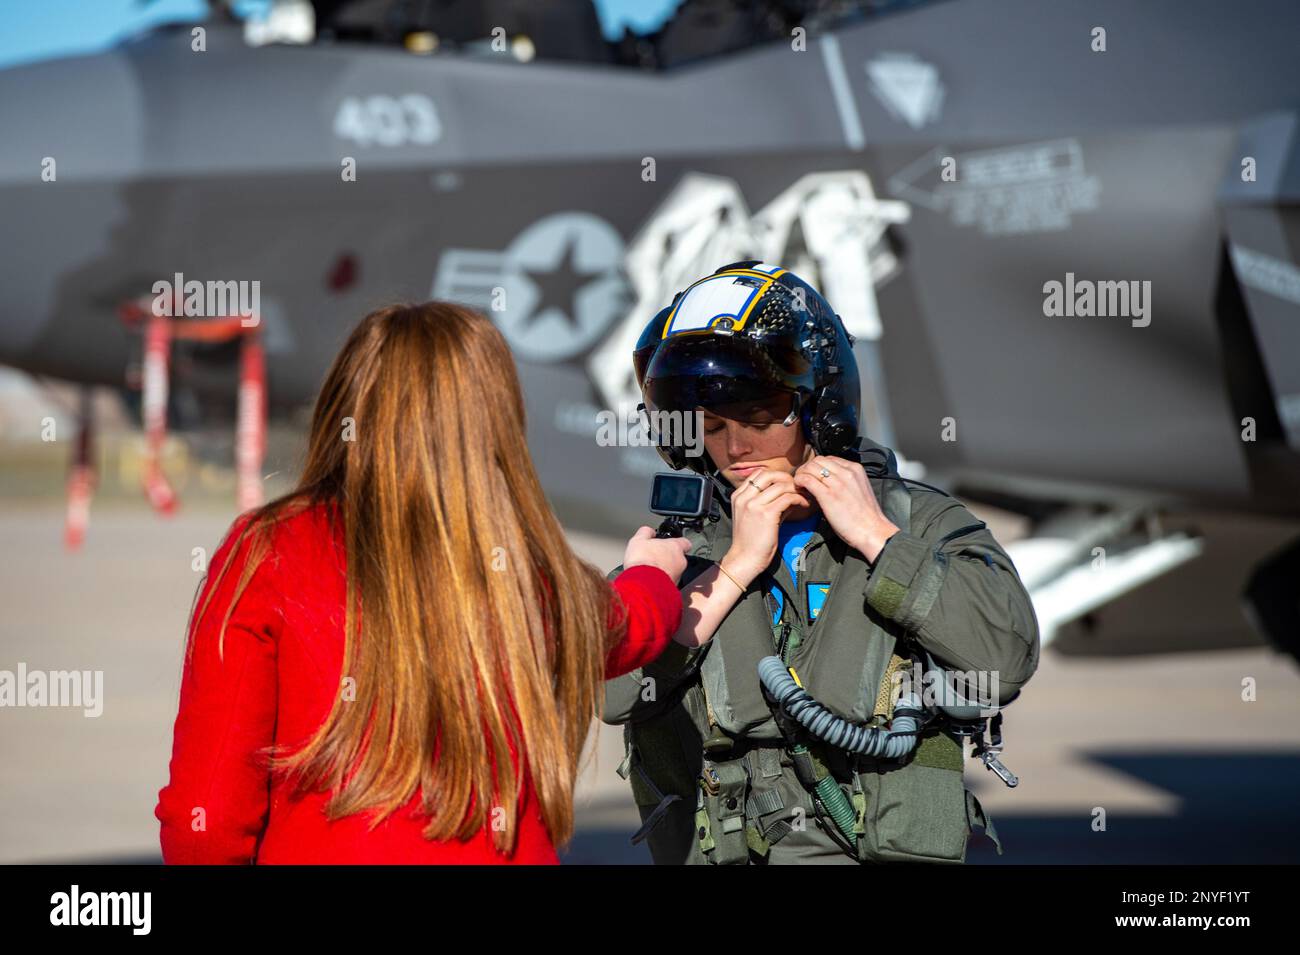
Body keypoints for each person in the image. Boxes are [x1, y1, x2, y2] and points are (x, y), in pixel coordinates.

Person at [155, 301, 692, 864]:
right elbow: (626, 624)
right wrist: (655, 574)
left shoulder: (268, 552)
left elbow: (207, 824)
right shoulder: (523, 569)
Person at [602, 261, 1041, 864]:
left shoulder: (918, 524)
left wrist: (878, 539)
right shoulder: (677, 550)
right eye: (710, 426)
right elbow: (610, 688)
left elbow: (1006, 656)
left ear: (819, 406)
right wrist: (733, 566)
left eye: (759, 418)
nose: (735, 448)